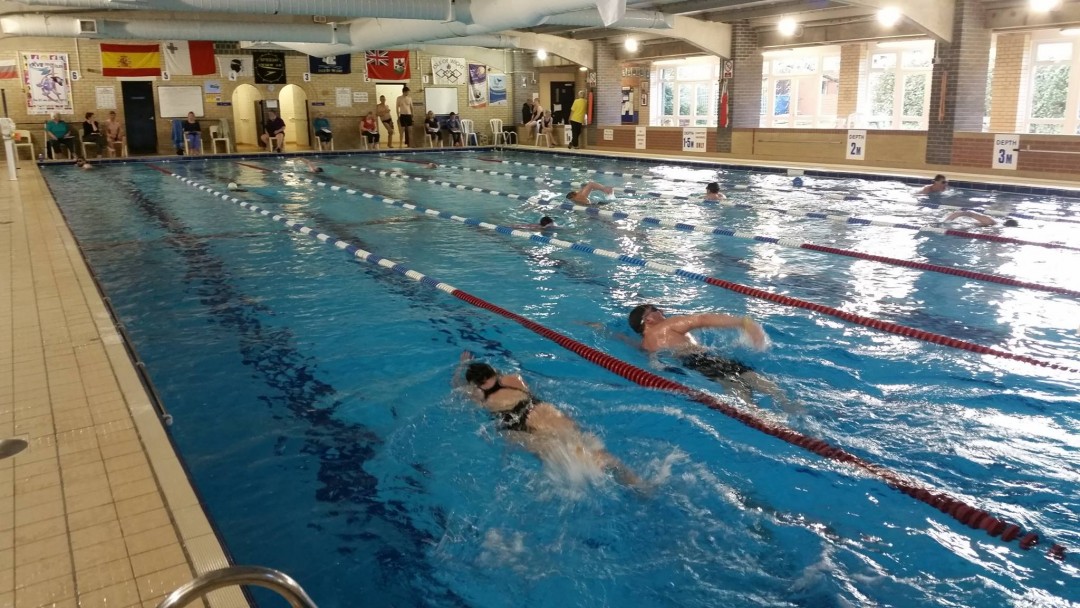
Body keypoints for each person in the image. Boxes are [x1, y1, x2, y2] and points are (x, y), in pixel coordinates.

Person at [453, 352, 642, 488]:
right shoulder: (513, 379)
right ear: (493, 371)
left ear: (475, 383)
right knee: (591, 450)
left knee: (566, 463)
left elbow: (455, 386)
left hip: (517, 426)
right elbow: (533, 394)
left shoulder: (478, 394)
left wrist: (462, 365)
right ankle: (638, 483)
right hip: (541, 412)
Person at [627, 304, 795, 409]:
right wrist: (744, 323)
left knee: (739, 390)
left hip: (691, 366)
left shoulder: (645, 345)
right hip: (704, 358)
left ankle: (762, 418)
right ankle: (792, 406)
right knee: (759, 382)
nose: (661, 311)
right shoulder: (667, 325)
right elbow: (702, 319)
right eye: (655, 310)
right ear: (648, 320)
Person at [943, 210, 1018, 227]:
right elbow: (968, 213)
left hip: (963, 223)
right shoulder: (990, 221)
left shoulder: (993, 224)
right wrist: (946, 221)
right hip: (955, 221)